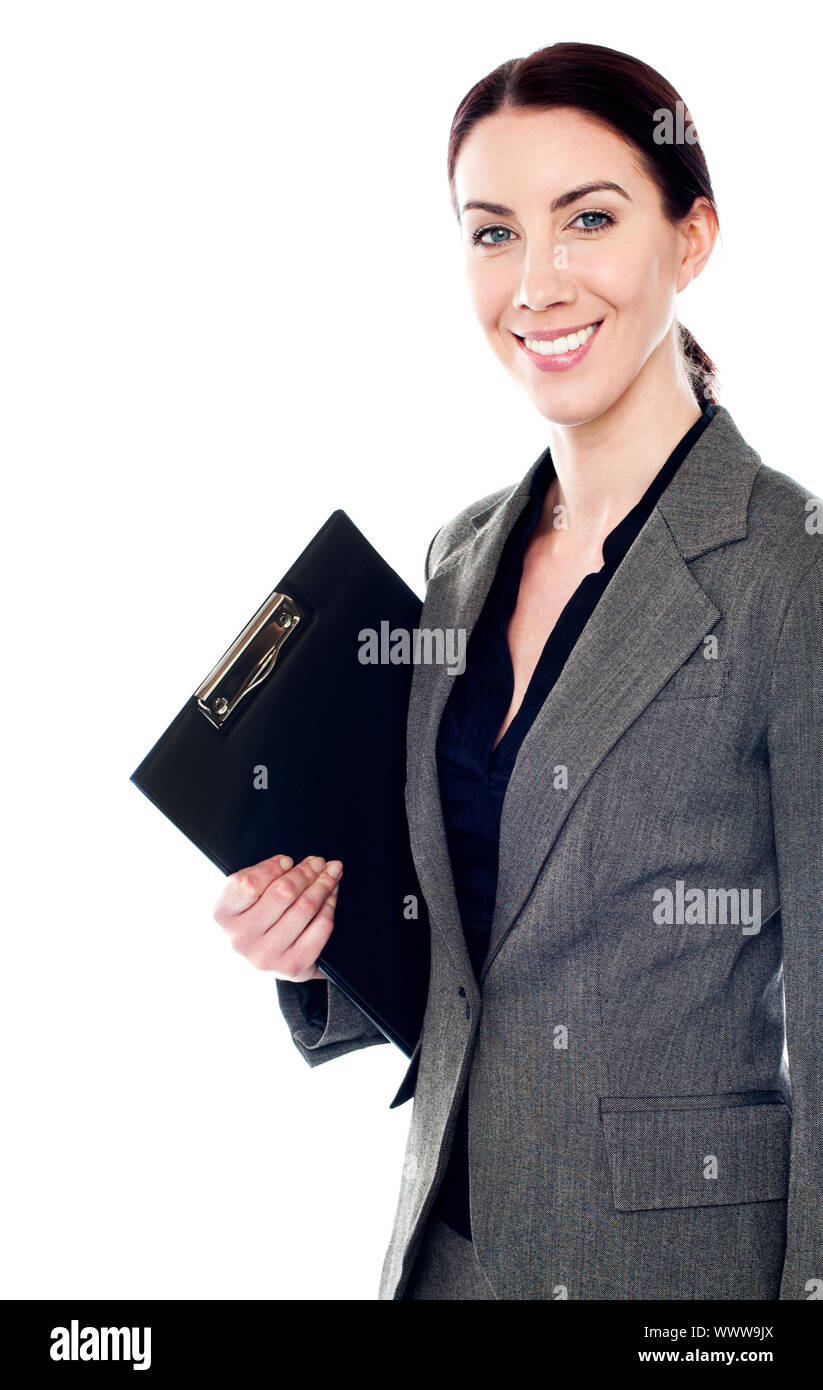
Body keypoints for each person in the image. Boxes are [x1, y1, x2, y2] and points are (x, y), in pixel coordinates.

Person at [212, 41, 822, 1300]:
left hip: (671, 1277)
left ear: (690, 236)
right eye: (492, 234)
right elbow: (466, 923)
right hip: (444, 1250)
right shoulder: (458, 557)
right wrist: (317, 944)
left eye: (586, 219)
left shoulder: (787, 568)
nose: (534, 282)